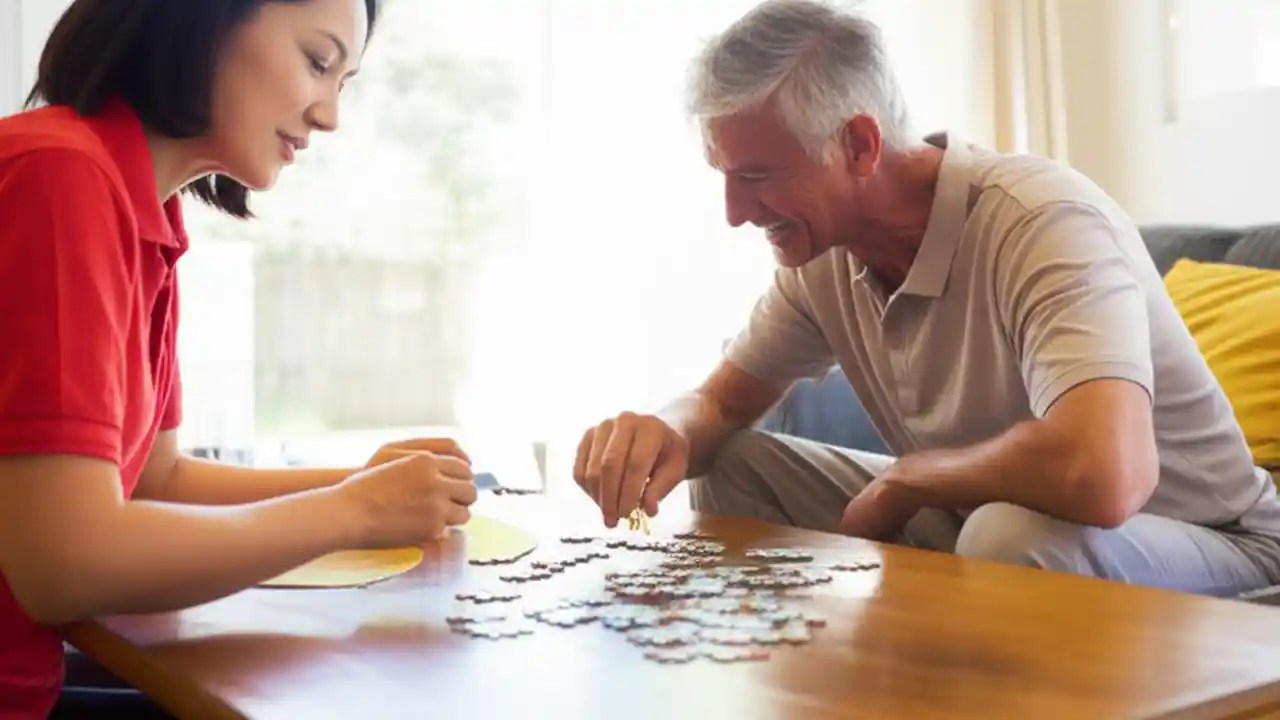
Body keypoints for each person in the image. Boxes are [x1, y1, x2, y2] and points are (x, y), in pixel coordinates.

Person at [572, 0, 1280, 598]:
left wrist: (913, 479)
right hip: (981, 517)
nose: (733, 212)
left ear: (858, 144)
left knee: (1006, 534)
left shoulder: (1040, 220)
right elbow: (722, 406)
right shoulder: (822, 255)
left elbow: (1106, 472)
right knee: (731, 461)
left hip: (1222, 549)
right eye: (724, 175)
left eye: (757, 175)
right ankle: (813, 684)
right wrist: (663, 428)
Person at [0, 1, 479, 717]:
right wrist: (352, 511)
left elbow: (153, 481)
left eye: (342, 82)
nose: (329, 117)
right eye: (318, 63)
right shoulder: (59, 174)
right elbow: (65, 564)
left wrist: (369, 483)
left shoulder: (145, 212)